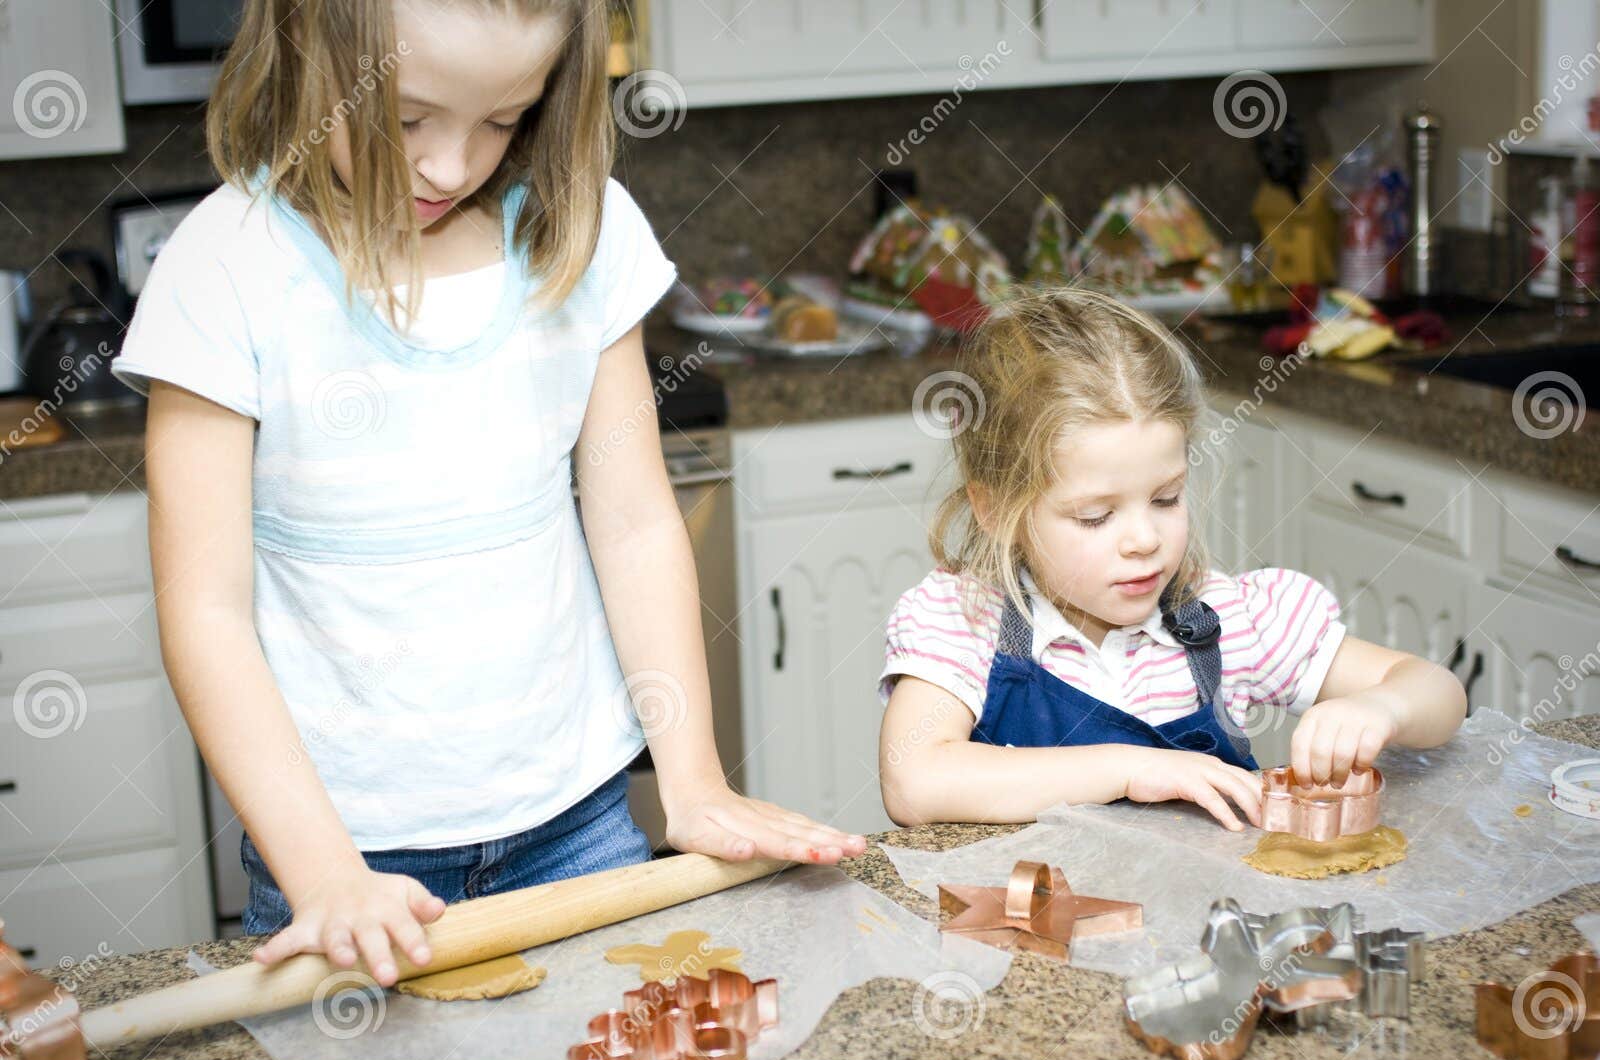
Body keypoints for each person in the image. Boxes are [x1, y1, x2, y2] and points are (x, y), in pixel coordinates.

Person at [112, 0, 863, 987]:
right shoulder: (224, 270)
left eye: (504, 118)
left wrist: (693, 777)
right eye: (407, 116)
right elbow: (205, 611)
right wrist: (326, 873)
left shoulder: (581, 231)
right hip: (344, 858)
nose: (452, 165)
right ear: (306, 44)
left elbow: (633, 523)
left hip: (581, 830)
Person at [876, 286, 1466, 829]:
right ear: (996, 508)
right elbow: (914, 781)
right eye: (1094, 516)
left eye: (1165, 498)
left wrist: (1383, 707)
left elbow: (1439, 694)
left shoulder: (1226, 620)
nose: (1143, 540)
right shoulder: (965, 624)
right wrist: (1131, 771)